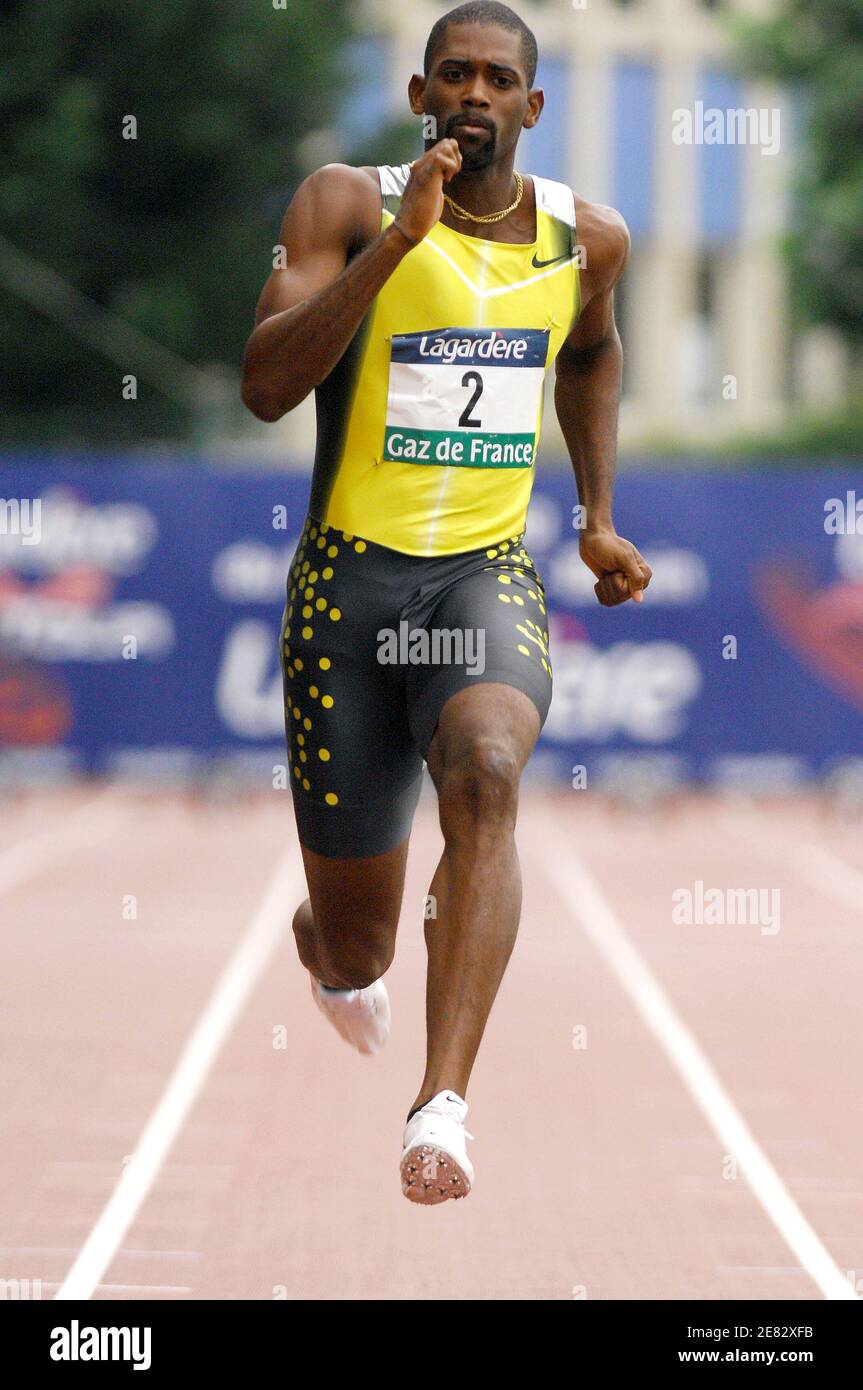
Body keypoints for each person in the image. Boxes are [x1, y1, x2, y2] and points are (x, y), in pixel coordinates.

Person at [241, 0, 651, 1205]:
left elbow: (588, 352)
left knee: (485, 766)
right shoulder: (340, 203)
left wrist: (595, 515)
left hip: (478, 576)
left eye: (498, 80)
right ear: (419, 99)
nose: (474, 94)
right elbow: (266, 387)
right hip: (345, 592)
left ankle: (442, 1104)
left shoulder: (590, 239)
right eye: (452, 76)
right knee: (356, 935)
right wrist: (392, 251)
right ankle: (329, 957)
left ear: (531, 107)